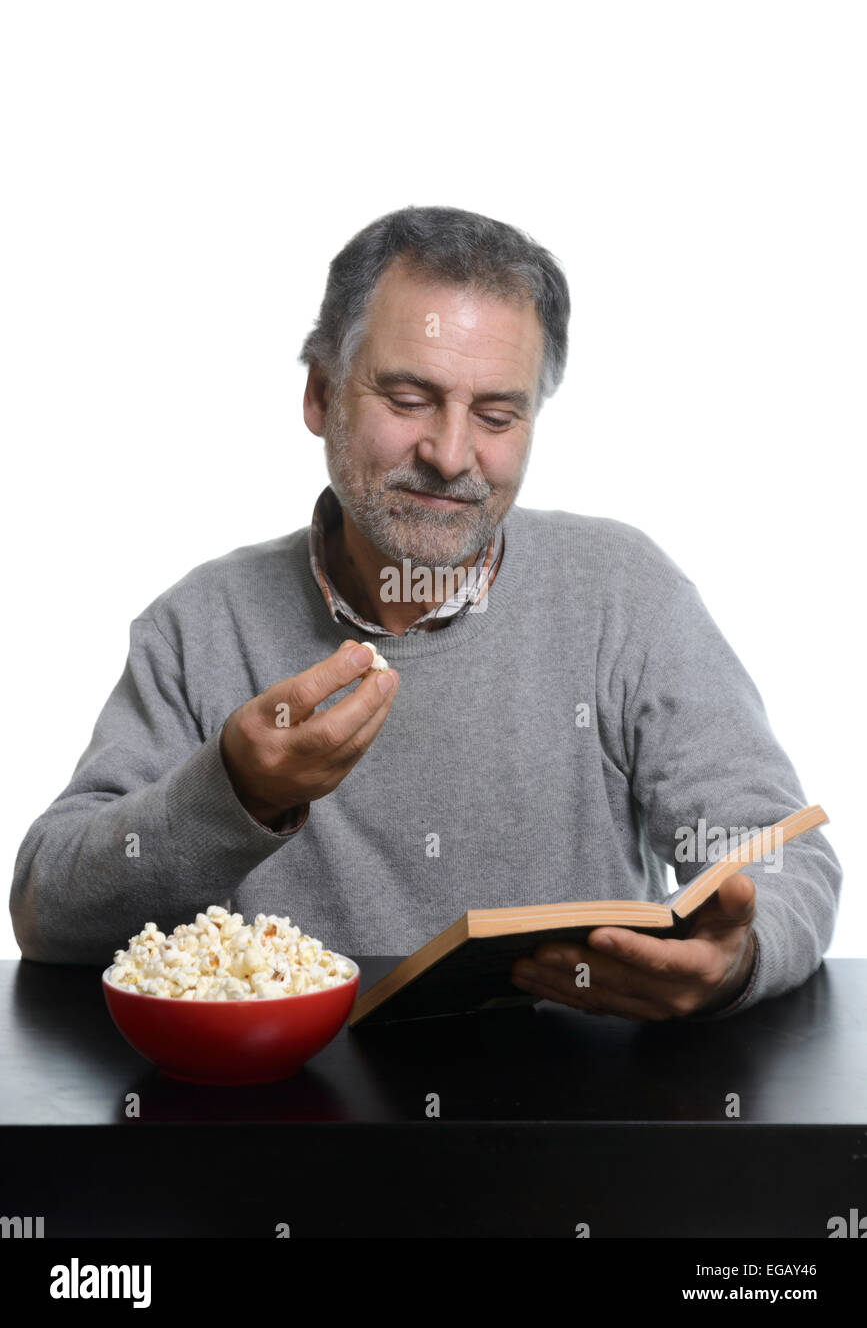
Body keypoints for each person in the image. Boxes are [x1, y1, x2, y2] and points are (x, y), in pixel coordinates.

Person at [10, 205, 841, 1021]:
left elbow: (776, 850)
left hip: (584, 1121)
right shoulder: (200, 625)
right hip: (289, 1121)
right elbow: (50, 910)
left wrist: (735, 959)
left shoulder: (625, 593)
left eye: (495, 416)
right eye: (407, 398)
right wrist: (236, 792)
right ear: (320, 394)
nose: (449, 456)